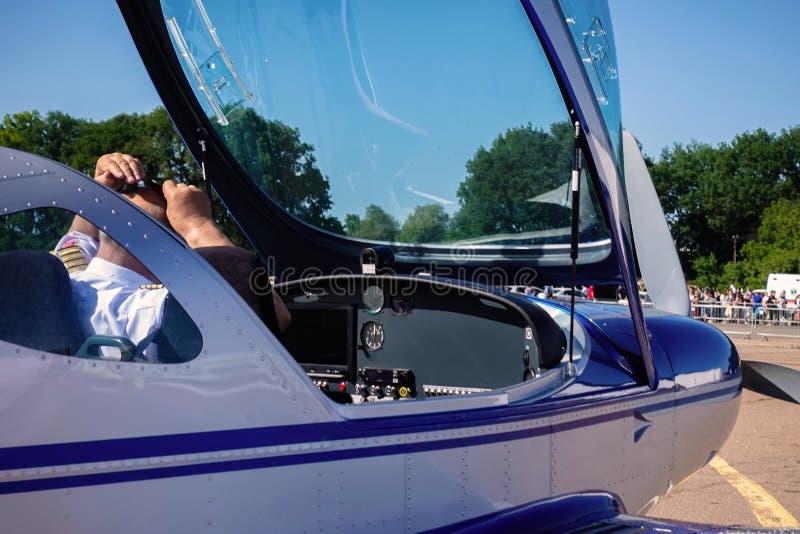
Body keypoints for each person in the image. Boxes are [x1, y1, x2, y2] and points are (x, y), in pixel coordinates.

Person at [55, 153, 289, 361]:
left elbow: (77, 236)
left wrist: (97, 194)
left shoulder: (65, 278)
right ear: (171, 254)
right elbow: (275, 316)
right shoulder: (150, 312)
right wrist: (198, 225)